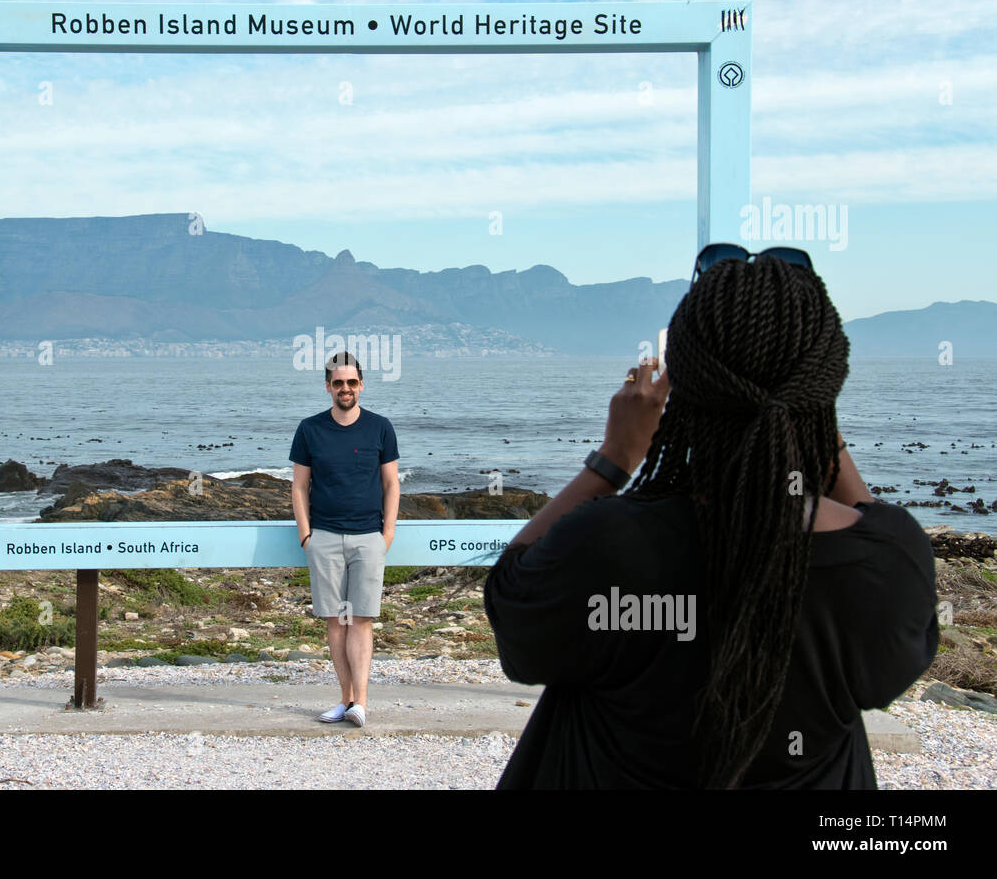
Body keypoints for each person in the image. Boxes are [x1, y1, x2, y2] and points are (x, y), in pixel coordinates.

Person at [483, 251, 938, 788]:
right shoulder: (886, 560)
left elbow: (512, 607)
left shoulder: (608, 544)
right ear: (826, 388)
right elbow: (873, 536)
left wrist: (614, 460)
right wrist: (816, 432)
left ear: (684, 388)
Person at [290, 350, 399, 727]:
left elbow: (391, 483)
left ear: (361, 385)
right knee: (336, 621)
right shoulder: (309, 429)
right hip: (324, 537)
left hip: (368, 537)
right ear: (327, 387)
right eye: (338, 383)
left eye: (352, 382)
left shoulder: (380, 427)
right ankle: (344, 699)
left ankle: (361, 704)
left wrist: (387, 533)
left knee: (362, 620)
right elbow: (299, 486)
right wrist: (306, 535)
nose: (345, 388)